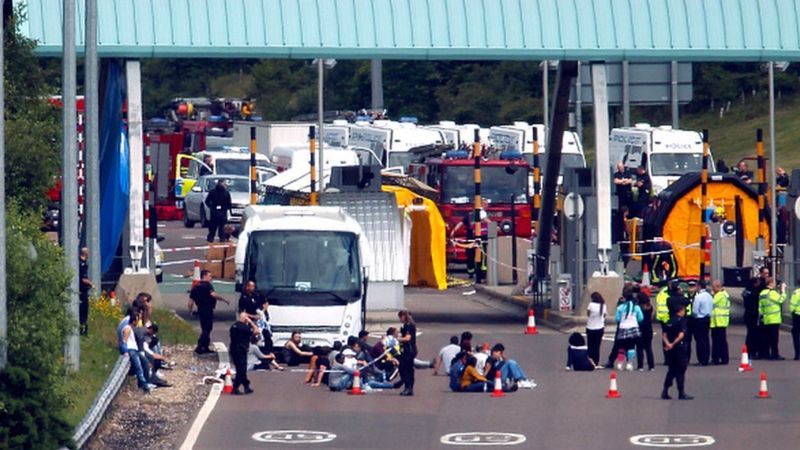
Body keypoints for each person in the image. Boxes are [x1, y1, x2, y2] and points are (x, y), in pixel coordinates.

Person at [188, 270, 230, 354]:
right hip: (207, 309)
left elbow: (190, 302)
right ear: (204, 276)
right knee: (207, 328)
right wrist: (224, 300)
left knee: (205, 328)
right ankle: (200, 346)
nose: (211, 278)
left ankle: (205, 346)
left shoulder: (195, 287)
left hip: (200, 309)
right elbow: (213, 295)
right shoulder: (207, 286)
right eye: (209, 276)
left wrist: (191, 311)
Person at [661, 303, 692, 400]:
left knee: (671, 370)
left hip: (670, 350)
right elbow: (681, 335)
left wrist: (668, 344)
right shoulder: (681, 321)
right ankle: (681, 392)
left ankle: (665, 390)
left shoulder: (669, 321)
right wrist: (673, 344)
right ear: (680, 311)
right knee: (681, 371)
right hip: (679, 348)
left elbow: (664, 335)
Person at [121, 309, 155, 392]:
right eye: (137, 320)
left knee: (145, 363)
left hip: (134, 350)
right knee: (138, 367)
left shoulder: (130, 328)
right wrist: (125, 351)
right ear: (134, 321)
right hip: (131, 350)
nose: (138, 321)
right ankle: (144, 385)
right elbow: (124, 341)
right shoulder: (127, 329)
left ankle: (146, 382)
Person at [614, 286, 643, 371]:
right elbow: (641, 318)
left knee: (621, 347)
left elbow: (617, 319)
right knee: (631, 346)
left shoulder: (620, 307)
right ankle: (629, 364)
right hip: (633, 328)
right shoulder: (636, 307)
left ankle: (620, 363)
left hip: (623, 328)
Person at [230, 312, 259, 395]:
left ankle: (246, 385)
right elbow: (257, 331)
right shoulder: (244, 327)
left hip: (233, 349)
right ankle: (235, 388)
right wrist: (250, 322)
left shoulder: (234, 326)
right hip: (241, 350)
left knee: (241, 369)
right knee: (241, 369)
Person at [758, 277, 787, 360]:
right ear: (770, 283)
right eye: (774, 282)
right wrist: (783, 290)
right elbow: (781, 299)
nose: (775, 284)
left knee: (767, 338)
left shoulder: (762, 293)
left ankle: (766, 354)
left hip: (766, 318)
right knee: (774, 339)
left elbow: (760, 307)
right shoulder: (772, 293)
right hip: (774, 318)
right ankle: (775, 355)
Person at [691, 280, 713, 366]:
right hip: (707, 319)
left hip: (699, 319)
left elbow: (695, 311)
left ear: (699, 286)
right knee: (706, 339)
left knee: (700, 341)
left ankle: (701, 359)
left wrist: (694, 316)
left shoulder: (698, 297)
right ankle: (706, 358)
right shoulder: (709, 296)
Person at [710, 280, 731, 365]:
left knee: (717, 342)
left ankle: (716, 359)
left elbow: (712, 302)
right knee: (722, 341)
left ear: (718, 287)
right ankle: (724, 358)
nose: (712, 288)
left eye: (713, 287)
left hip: (718, 321)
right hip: (722, 321)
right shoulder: (725, 294)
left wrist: (712, 294)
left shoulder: (719, 295)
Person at [397, 310, 418, 396]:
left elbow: (407, 338)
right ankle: (409, 387)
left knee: (405, 369)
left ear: (403, 316)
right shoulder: (409, 325)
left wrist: (397, 339)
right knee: (408, 369)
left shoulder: (408, 326)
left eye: (400, 317)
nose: (400, 319)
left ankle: (408, 387)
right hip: (410, 350)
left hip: (408, 351)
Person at [585, 292, 607, 366]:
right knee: (597, 346)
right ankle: (596, 362)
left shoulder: (591, 305)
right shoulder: (603, 305)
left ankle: (590, 361)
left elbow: (588, 314)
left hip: (590, 327)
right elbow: (604, 316)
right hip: (600, 327)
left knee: (590, 346)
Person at [636, 292, 655, 371]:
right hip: (649, 328)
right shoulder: (650, 307)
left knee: (639, 348)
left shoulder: (638, 308)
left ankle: (640, 365)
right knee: (648, 348)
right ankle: (651, 366)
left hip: (640, 328)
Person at [78, 247, 93, 336]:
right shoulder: (82, 264)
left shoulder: (80, 263)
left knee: (82, 311)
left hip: (81, 290)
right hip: (82, 291)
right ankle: (83, 330)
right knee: (83, 311)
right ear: (86, 254)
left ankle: (82, 328)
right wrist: (91, 283)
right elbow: (83, 278)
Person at [790, 286, 800, 360]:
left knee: (796, 335)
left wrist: (791, 312)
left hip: (797, 315)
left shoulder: (796, 292)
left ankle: (797, 354)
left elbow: (792, 305)